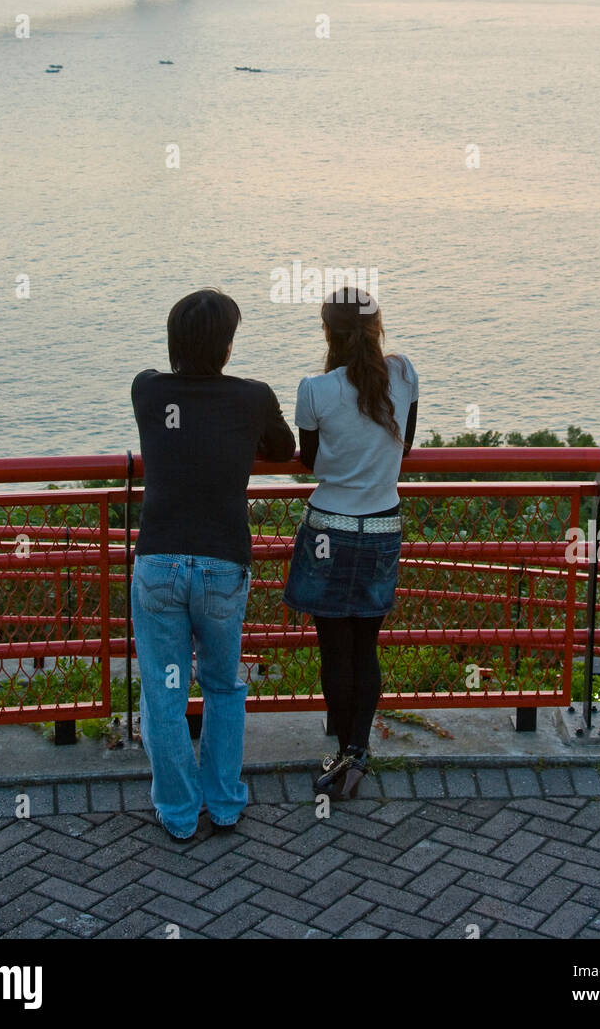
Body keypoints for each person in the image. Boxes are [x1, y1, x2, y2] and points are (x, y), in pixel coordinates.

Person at [131, 289, 295, 841]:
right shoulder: (251, 397)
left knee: (164, 691)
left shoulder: (148, 389)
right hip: (223, 562)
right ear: (228, 346)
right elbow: (282, 446)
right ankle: (224, 804)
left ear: (174, 341)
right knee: (223, 686)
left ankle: (178, 813)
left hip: (159, 562)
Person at [283, 287, 418, 799]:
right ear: (378, 326)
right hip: (383, 526)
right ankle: (358, 753)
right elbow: (406, 443)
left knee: (334, 651)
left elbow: (311, 463)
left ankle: (340, 752)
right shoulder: (404, 374)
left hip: (329, 531)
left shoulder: (314, 390)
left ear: (326, 332)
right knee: (366, 649)